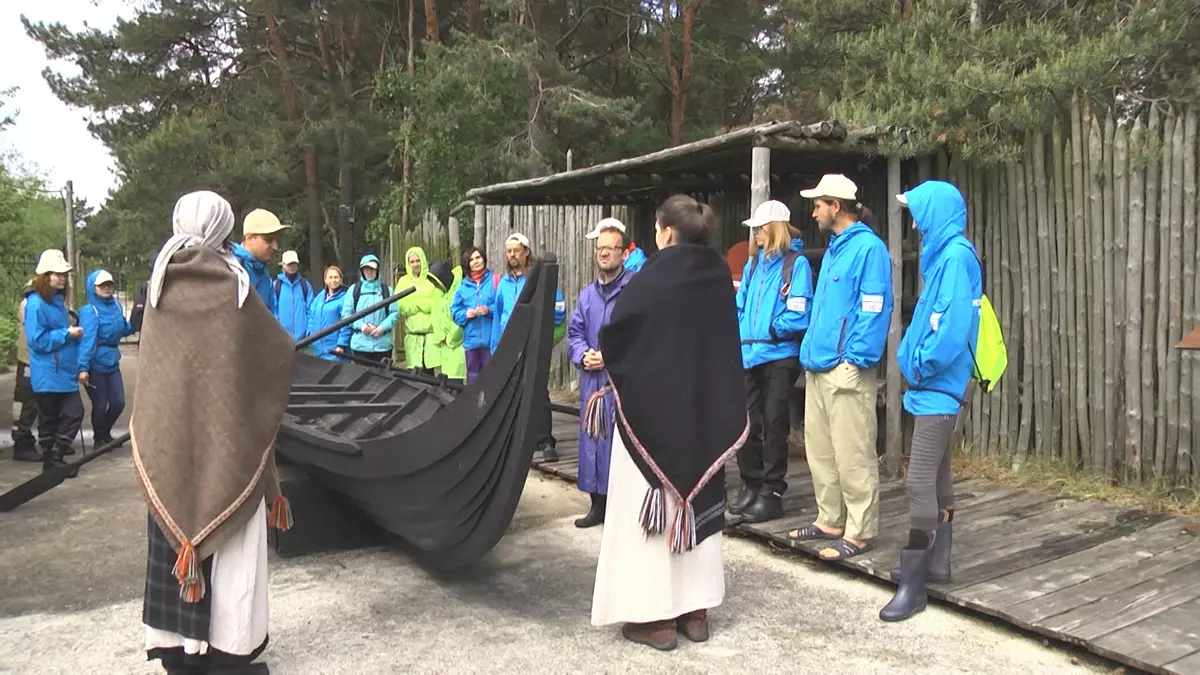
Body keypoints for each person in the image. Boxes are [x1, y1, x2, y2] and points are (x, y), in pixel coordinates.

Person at [133, 190, 294, 675]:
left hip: (172, 447)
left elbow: (155, 375)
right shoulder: (234, 286)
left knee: (171, 541)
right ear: (225, 228)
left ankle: (178, 656)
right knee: (232, 555)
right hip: (230, 447)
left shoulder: (161, 282)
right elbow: (275, 353)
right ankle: (226, 657)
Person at [590, 194, 748, 651]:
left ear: (664, 232)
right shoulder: (719, 276)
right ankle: (695, 614)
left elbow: (617, 335)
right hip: (704, 416)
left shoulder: (653, 277)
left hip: (653, 419)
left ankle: (655, 619)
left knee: (650, 513)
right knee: (697, 507)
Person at [880, 181, 981, 622]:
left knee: (918, 480)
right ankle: (937, 565)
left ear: (936, 213)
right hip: (932, 383)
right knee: (937, 478)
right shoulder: (944, 256)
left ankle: (912, 584)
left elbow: (953, 326)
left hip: (939, 383)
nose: (914, 221)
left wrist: (918, 363)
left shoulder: (956, 258)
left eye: (918, 212)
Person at [789, 173, 893, 562]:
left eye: (818, 204)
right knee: (821, 451)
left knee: (853, 453)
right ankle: (830, 520)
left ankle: (860, 531)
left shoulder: (869, 249)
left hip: (845, 369)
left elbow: (874, 306)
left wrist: (856, 359)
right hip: (818, 367)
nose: (813, 210)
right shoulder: (835, 247)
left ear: (836, 206)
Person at [730, 199, 814, 523]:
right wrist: (741, 336)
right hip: (750, 354)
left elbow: (799, 315)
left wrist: (770, 329)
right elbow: (739, 306)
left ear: (774, 228)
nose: (755, 234)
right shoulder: (753, 266)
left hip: (780, 355)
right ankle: (751, 484)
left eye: (759, 228)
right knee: (747, 423)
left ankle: (772, 492)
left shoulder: (797, 265)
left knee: (774, 422)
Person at [569, 218, 636, 529]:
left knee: (622, 445)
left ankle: (622, 510)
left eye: (611, 249)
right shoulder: (587, 296)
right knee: (593, 441)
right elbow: (575, 332)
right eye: (600, 249)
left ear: (623, 253)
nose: (604, 254)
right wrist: (584, 355)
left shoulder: (634, 290)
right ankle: (597, 506)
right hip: (592, 383)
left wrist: (609, 357)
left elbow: (641, 333)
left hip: (622, 384)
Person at [491, 232, 567, 462]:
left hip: (532, 344)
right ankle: (520, 438)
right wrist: (497, 349)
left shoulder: (537, 279)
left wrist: (540, 334)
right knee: (514, 392)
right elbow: (498, 315)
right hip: (510, 347)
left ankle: (545, 440)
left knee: (539, 392)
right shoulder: (503, 284)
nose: (512, 255)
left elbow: (559, 309)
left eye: (516, 250)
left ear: (526, 251)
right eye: (509, 251)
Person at [23, 250, 84, 474]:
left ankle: (55, 457)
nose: (62, 278)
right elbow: (37, 340)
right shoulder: (36, 304)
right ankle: (52, 460)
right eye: (56, 274)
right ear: (45, 276)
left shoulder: (57, 302)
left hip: (63, 371)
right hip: (47, 372)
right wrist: (67, 334)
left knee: (72, 414)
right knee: (50, 419)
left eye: (63, 274)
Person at [77, 269, 136, 447]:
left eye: (109, 285)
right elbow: (87, 341)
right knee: (100, 404)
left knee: (118, 402)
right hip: (95, 363)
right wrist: (82, 368)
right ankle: (99, 439)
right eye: (102, 285)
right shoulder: (90, 311)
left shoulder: (116, 306)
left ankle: (104, 433)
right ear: (92, 287)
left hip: (112, 360)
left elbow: (124, 329)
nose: (106, 288)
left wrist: (137, 321)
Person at [340, 254, 397, 365]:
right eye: (366, 269)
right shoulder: (354, 290)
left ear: (377, 270)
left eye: (372, 269)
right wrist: (361, 326)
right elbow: (346, 315)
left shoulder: (387, 290)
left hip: (383, 346)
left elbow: (394, 313)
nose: (369, 272)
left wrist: (382, 327)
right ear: (362, 271)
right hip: (360, 346)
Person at [450, 247, 496, 383]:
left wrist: (489, 310)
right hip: (471, 343)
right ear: (467, 264)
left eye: (478, 257)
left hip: (491, 342)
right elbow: (454, 310)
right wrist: (465, 314)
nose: (476, 262)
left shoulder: (495, 281)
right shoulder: (462, 287)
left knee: (491, 378)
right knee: (473, 378)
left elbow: (502, 305)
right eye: (471, 259)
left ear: (484, 259)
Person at [232, 208, 289, 313]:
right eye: (269, 240)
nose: (275, 247)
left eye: (276, 240)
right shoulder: (230, 268)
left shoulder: (265, 277)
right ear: (249, 238)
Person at [395, 246, 442, 374]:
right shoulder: (403, 282)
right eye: (412, 261)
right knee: (413, 377)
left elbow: (437, 303)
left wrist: (415, 302)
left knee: (430, 376)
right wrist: (420, 304)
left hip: (430, 337)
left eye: (418, 260)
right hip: (412, 337)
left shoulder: (431, 280)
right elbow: (400, 306)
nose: (415, 264)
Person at [11, 278, 41, 462]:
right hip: (28, 361)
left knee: (37, 401)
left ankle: (29, 438)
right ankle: (21, 441)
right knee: (26, 401)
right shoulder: (29, 304)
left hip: (34, 360)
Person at [428, 260, 466, 382]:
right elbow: (437, 317)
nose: (435, 286)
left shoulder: (460, 291)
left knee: (457, 385)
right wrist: (440, 336)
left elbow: (460, 321)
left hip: (458, 348)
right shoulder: (443, 294)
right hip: (446, 351)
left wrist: (450, 338)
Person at [305, 266, 352, 361]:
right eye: (330, 277)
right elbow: (311, 314)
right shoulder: (320, 297)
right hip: (318, 350)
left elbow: (347, 323)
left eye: (336, 277)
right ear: (325, 280)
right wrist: (310, 332)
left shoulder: (346, 298)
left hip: (335, 351)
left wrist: (341, 344)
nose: (333, 280)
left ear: (341, 279)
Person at [273, 250, 313, 342]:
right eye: (289, 264)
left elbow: (311, 309)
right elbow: (273, 310)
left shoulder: (305, 285)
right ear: (283, 265)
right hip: (281, 338)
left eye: (294, 264)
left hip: (302, 339)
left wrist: (309, 330)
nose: (292, 267)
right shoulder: (276, 286)